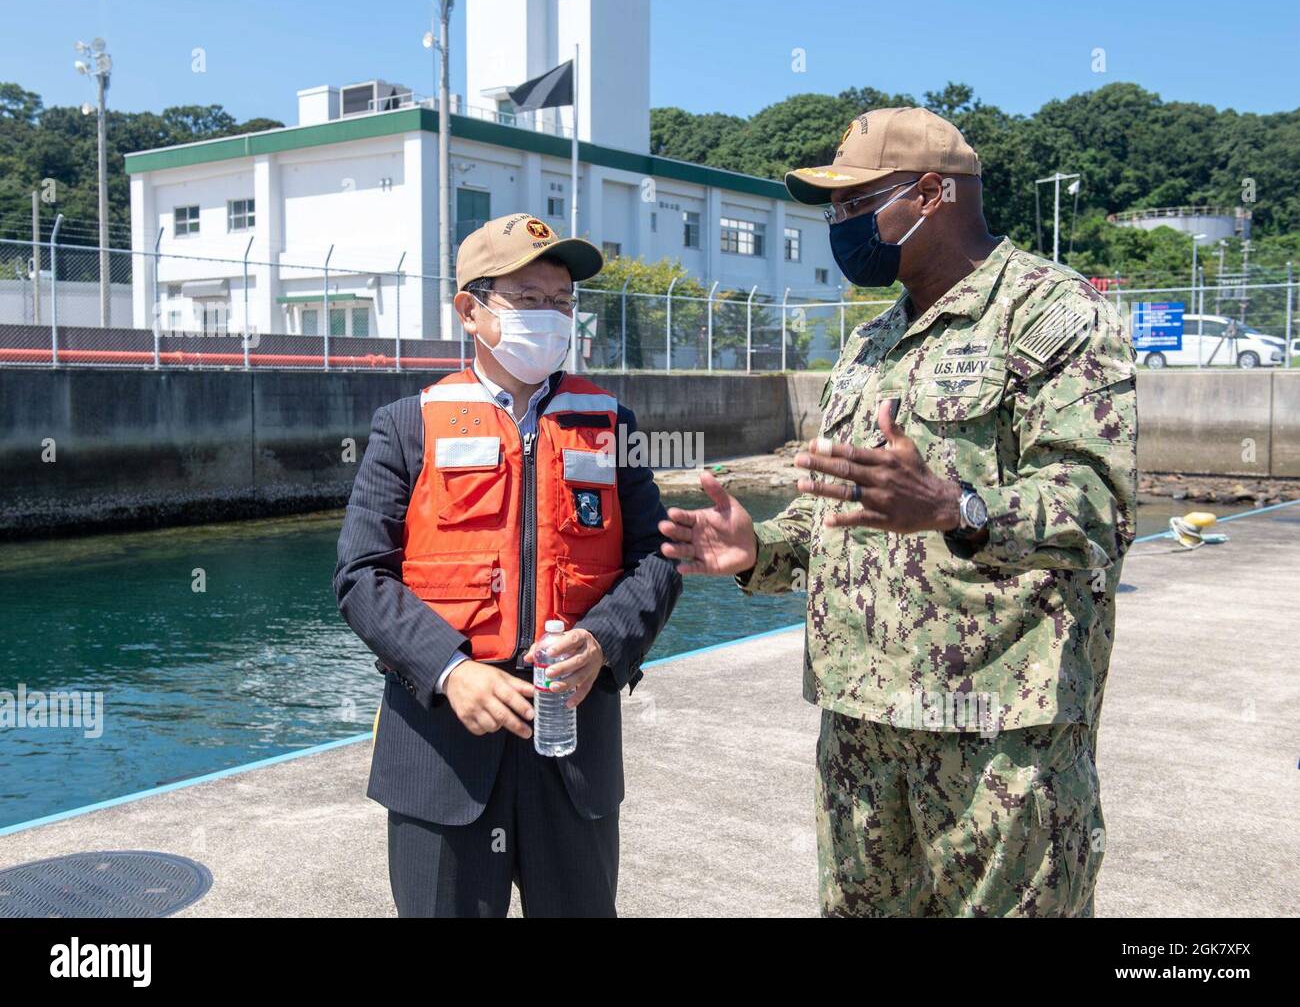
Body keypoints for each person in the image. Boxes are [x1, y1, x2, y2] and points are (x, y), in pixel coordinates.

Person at [659, 108, 1137, 917]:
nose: (839, 226)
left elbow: (1099, 511)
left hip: (996, 733)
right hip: (861, 725)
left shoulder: (1054, 317)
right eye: (834, 210)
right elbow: (833, 521)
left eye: (854, 205)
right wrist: (757, 549)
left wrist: (957, 505)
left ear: (929, 193)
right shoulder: (870, 344)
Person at [335, 213, 680, 917]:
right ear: (471, 310)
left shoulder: (613, 424)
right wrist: (450, 669)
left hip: (572, 744)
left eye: (562, 302)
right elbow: (361, 574)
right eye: (529, 300)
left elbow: (657, 556)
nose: (551, 317)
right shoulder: (408, 424)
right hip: (441, 752)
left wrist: (604, 644)